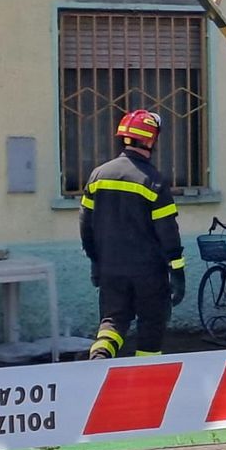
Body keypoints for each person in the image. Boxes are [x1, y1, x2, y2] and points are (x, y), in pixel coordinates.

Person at [80, 109, 186, 359]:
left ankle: (100, 356)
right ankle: (146, 375)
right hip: (149, 273)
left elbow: (86, 226)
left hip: (111, 268)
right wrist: (177, 271)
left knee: (112, 322)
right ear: (151, 140)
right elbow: (168, 233)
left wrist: (96, 261)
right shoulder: (153, 181)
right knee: (151, 328)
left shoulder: (98, 176)